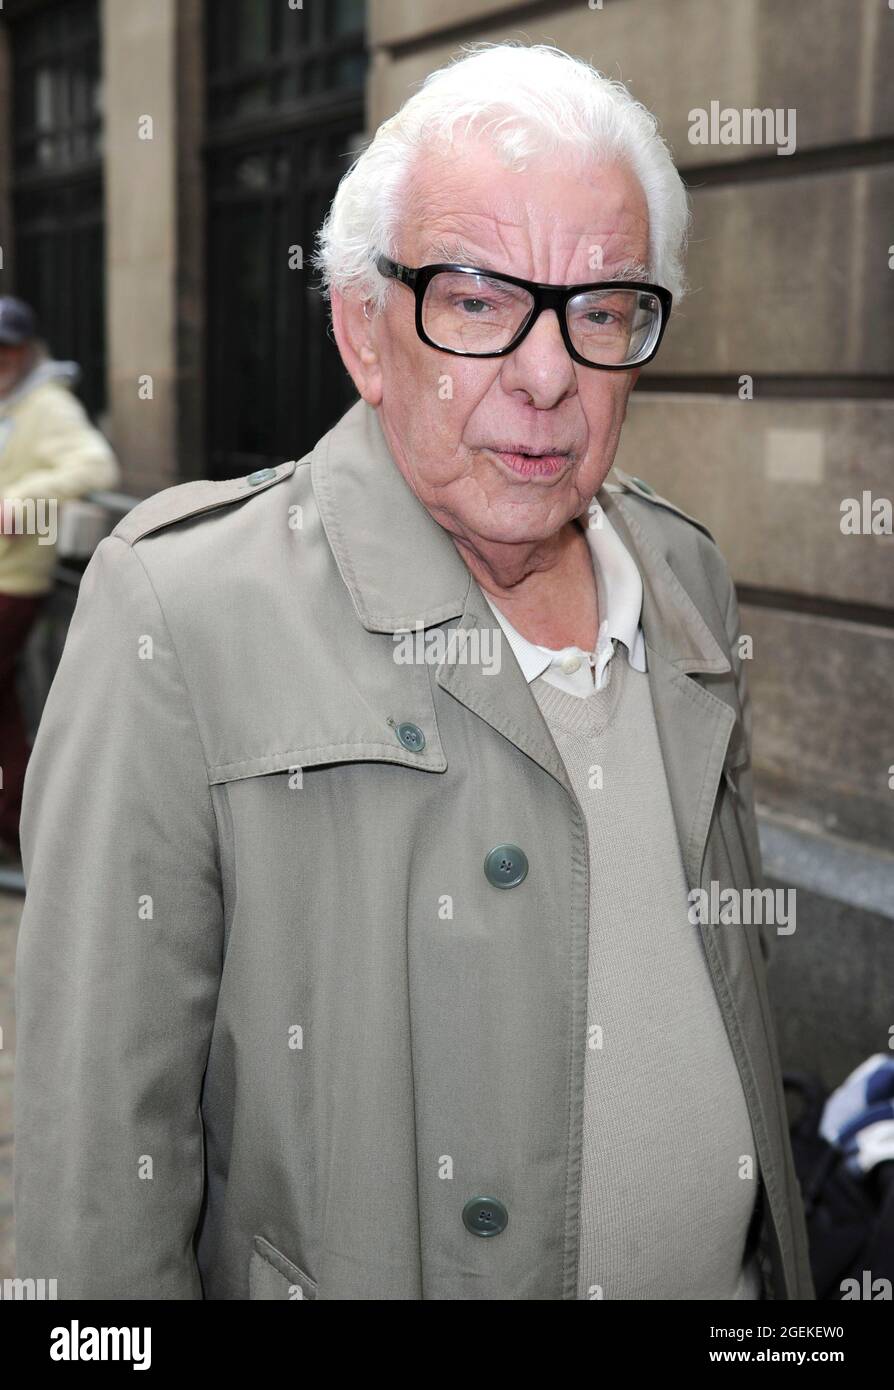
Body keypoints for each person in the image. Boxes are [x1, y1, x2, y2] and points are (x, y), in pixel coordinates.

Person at [13, 43, 815, 1299]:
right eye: (480, 299)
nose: (550, 375)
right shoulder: (180, 609)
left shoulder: (685, 576)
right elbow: (94, 1198)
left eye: (602, 307)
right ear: (363, 333)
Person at [0, 296, 119, 863]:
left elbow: (95, 464)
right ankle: (15, 822)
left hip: (14, 576)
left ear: (26, 351)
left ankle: (17, 823)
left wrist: (17, 502)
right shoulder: (10, 401)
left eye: (7, 347)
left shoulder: (46, 404)